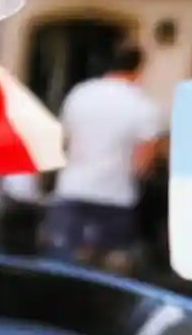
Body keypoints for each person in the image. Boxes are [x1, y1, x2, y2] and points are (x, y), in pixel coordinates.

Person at [46, 45, 165, 273]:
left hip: (72, 189)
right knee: (105, 272)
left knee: (62, 264)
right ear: (138, 69)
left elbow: (62, 140)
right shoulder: (144, 106)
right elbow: (144, 160)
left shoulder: (80, 94)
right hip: (115, 197)